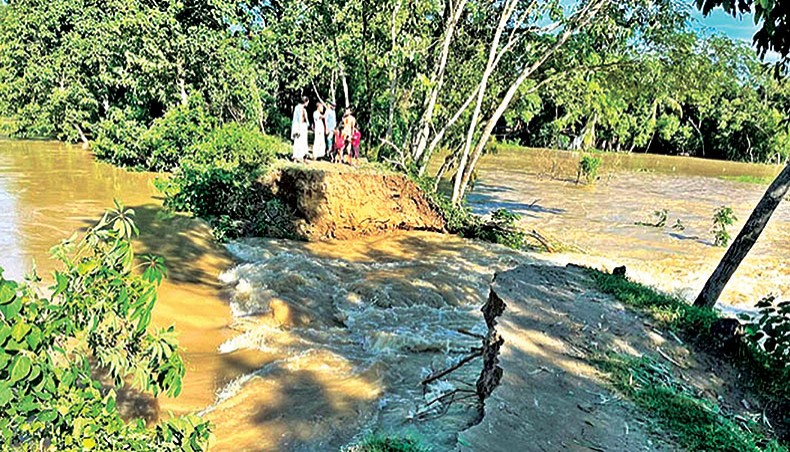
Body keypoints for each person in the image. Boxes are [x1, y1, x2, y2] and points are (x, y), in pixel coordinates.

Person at [291, 96, 309, 163]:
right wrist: (297, 129)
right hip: (299, 127)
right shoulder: (298, 108)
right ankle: (295, 158)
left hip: (303, 126)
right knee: (297, 142)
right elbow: (298, 119)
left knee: (304, 142)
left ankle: (304, 157)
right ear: (305, 102)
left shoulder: (303, 109)